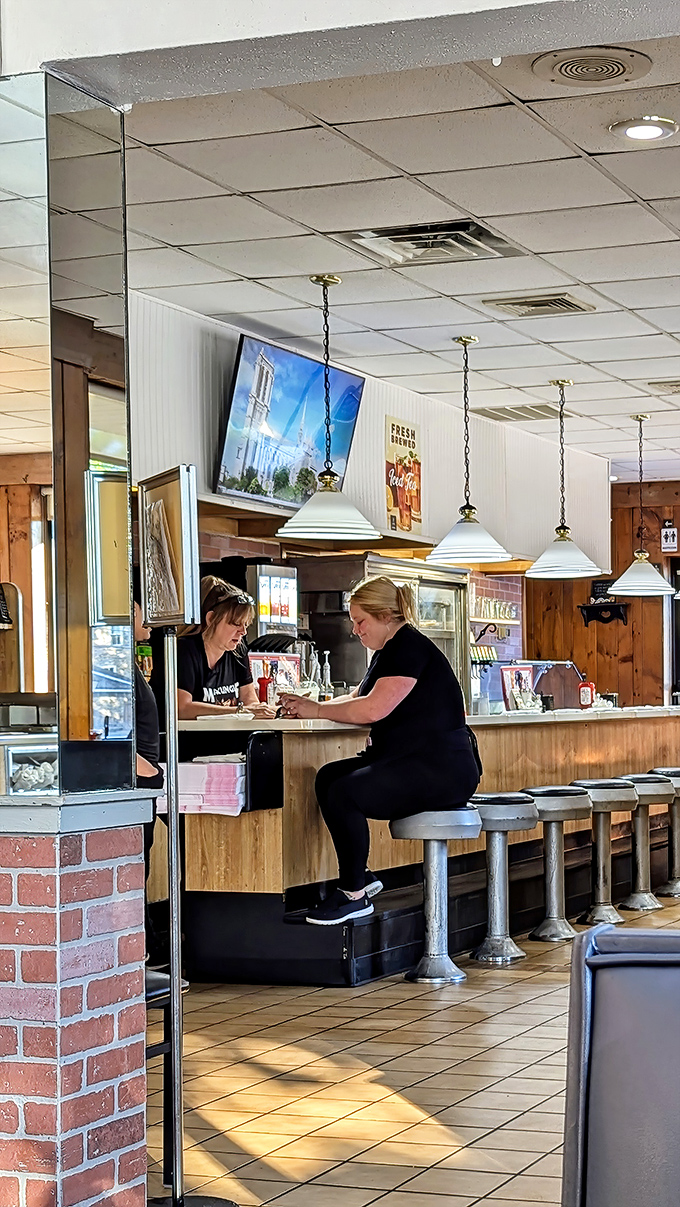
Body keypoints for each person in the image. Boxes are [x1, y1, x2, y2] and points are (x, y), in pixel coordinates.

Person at [279, 575, 480, 926]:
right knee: (329, 777)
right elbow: (358, 699)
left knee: (345, 792)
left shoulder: (409, 648)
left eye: (361, 621)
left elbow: (373, 710)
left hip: (442, 770)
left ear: (386, 616)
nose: (356, 631)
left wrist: (317, 710)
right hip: (416, 761)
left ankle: (353, 894)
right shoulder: (390, 650)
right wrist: (307, 705)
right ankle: (362, 876)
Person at [166, 576, 276, 720]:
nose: (243, 632)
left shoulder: (237, 650)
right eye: (236, 623)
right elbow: (181, 708)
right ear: (211, 619)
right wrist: (239, 711)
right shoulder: (185, 650)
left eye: (246, 624)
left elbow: (250, 701)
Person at [134, 598, 165, 960]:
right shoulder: (114, 665)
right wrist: (147, 771)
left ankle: (141, 948)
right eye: (143, 612)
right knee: (135, 868)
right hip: (136, 784)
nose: (151, 622)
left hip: (144, 784)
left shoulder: (128, 661)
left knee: (141, 867)